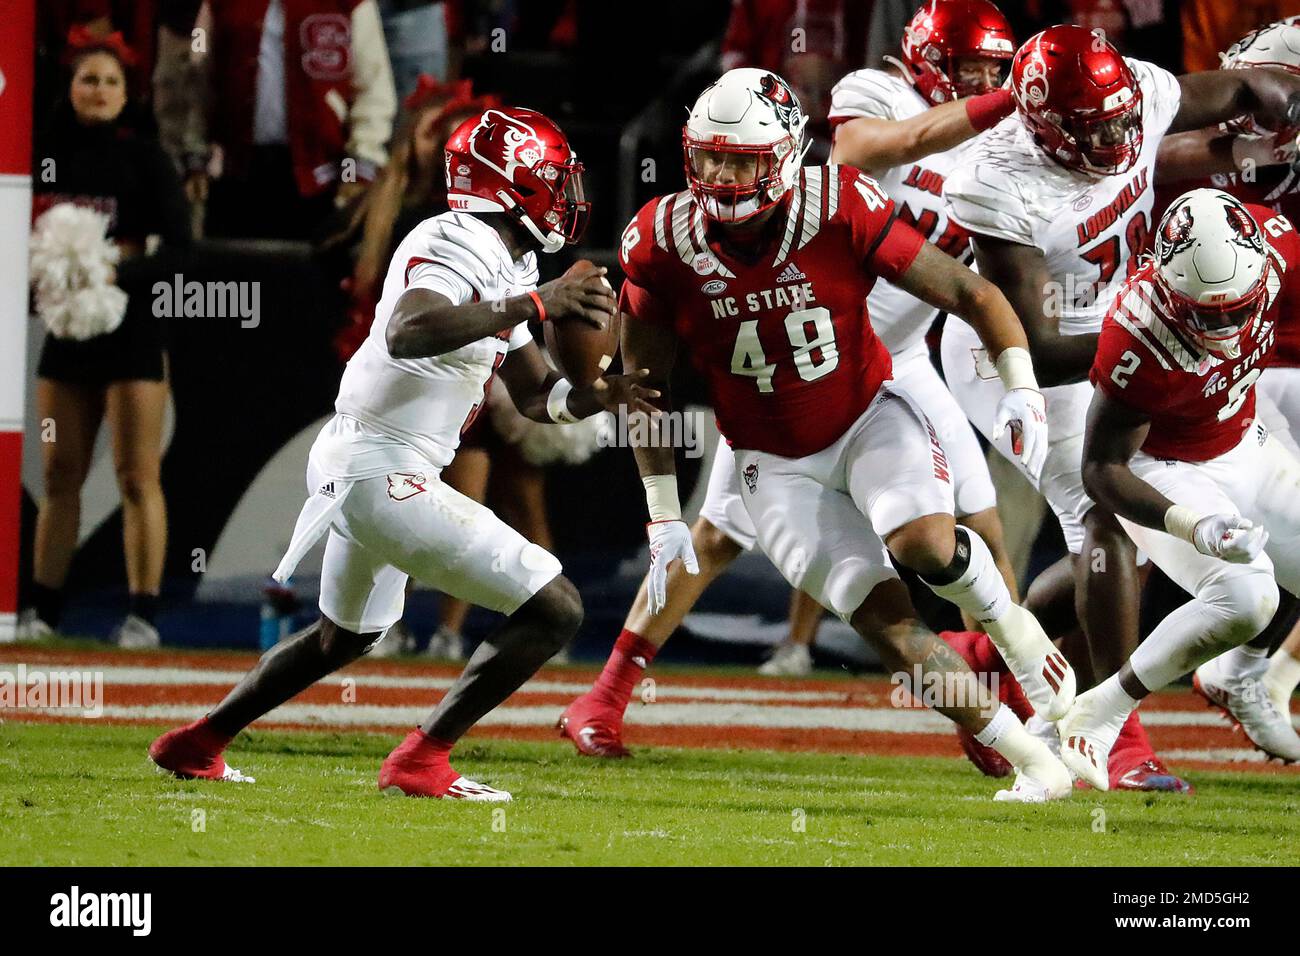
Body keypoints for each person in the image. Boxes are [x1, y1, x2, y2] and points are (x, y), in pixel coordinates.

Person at [147, 106, 657, 799]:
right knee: (556, 608)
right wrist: (534, 303)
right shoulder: (455, 237)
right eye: (552, 180)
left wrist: (603, 393)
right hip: (380, 465)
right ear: (511, 183)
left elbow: (537, 397)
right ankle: (422, 757)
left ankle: (196, 743)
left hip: (376, 462)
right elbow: (410, 330)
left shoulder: (505, 260)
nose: (566, 197)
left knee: (343, 637)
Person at [602, 67, 1075, 802]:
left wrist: (1019, 386)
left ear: (787, 157)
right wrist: (665, 512)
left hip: (867, 417)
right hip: (770, 466)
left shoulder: (838, 203)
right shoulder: (661, 241)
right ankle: (1032, 762)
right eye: (711, 157)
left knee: (925, 544)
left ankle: (1012, 630)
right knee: (888, 627)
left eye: (743, 161)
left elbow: (970, 291)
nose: (723, 177)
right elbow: (645, 390)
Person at [559, 0, 1022, 744]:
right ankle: (610, 695)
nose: (982, 80)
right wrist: (1006, 102)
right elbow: (902, 138)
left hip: (898, 364)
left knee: (976, 535)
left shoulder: (1003, 143)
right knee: (714, 537)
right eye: (972, 68)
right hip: (811, 356)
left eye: (996, 69)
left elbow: (978, 278)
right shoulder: (885, 98)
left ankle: (1002, 695)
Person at [940, 23, 1300, 789]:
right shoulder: (996, 179)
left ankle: (1005, 650)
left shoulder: (1131, 89)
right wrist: (1159, 339)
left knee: (1123, 531)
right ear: (1043, 125)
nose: (1116, 135)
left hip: (1132, 316)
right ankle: (1113, 736)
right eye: (1093, 127)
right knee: (1104, 517)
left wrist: (1286, 106)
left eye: (1121, 119)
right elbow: (1033, 343)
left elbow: (1246, 90)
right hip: (1015, 357)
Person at [1067, 189, 1300, 784]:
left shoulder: (1277, 252)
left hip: (1242, 440)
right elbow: (1101, 469)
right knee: (1249, 599)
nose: (1224, 325)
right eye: (1207, 314)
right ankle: (1102, 711)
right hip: (1163, 468)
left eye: (1235, 311)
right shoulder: (1136, 332)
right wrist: (1189, 523)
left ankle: (1240, 674)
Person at [18, 30, 190, 648]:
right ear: (69, 87)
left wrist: (114, 268)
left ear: (128, 93)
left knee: (136, 473)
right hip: (66, 335)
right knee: (60, 474)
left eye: (111, 81)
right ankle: (41, 612)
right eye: (88, 79)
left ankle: (143, 614)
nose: (99, 90)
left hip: (133, 333)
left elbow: (180, 245)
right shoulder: (40, 153)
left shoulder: (145, 157)